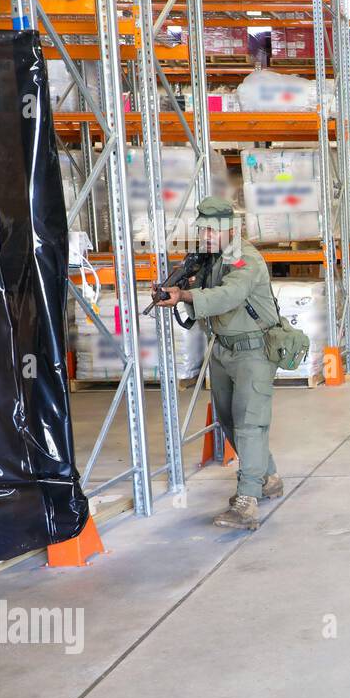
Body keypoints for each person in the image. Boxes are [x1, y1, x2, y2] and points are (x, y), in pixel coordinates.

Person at [154, 197, 283, 530]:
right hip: (224, 350)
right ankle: (267, 476)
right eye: (202, 230)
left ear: (232, 229)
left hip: (254, 352)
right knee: (228, 420)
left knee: (250, 422)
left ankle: (247, 501)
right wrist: (185, 284)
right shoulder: (214, 259)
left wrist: (184, 296)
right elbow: (211, 289)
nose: (206, 235)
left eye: (212, 229)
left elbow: (229, 295)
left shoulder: (245, 260)